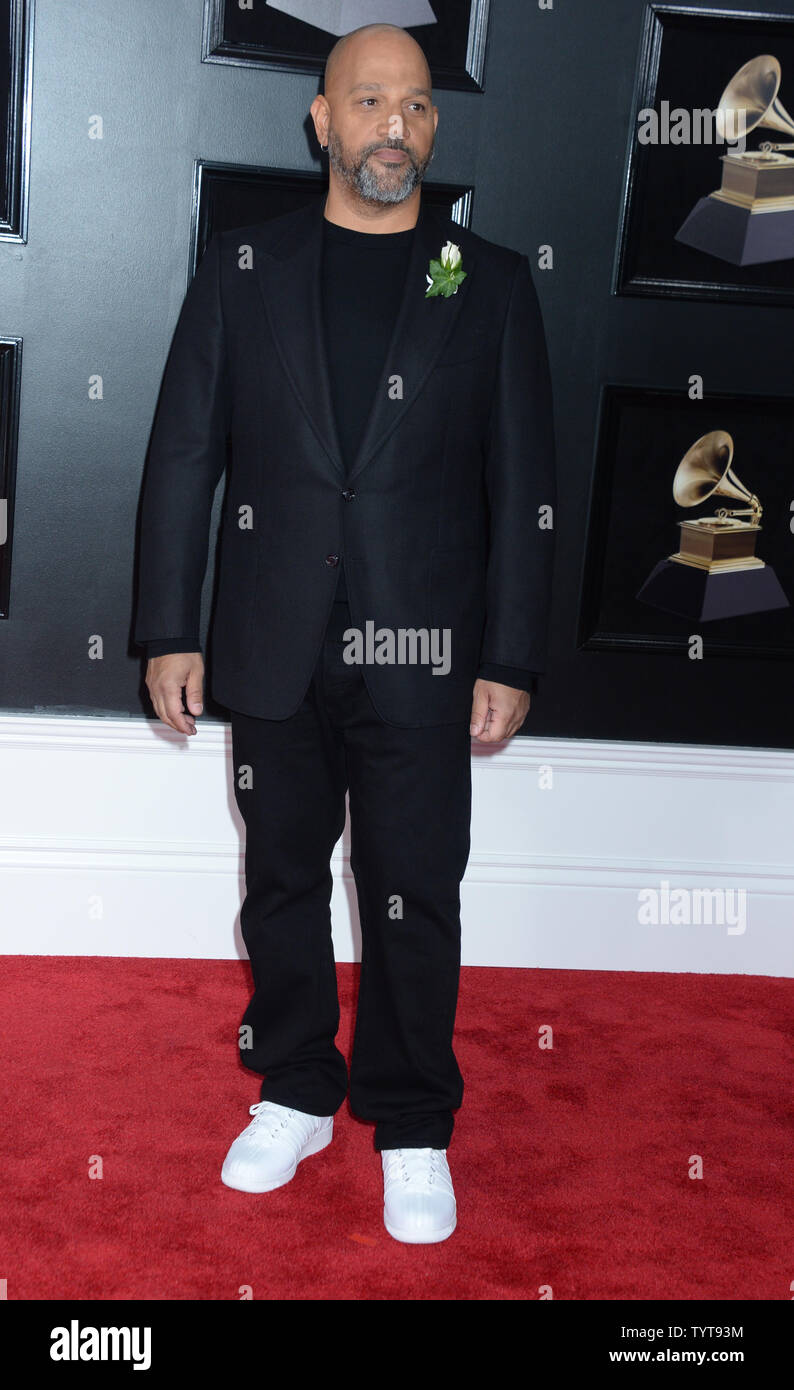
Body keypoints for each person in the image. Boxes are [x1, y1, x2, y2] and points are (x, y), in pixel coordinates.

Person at [134, 22, 556, 1245]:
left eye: (415, 106)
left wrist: (509, 653)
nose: (394, 126)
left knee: (413, 889)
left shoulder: (487, 282)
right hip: (271, 635)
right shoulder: (242, 268)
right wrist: (169, 624)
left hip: (423, 650)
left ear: (431, 126)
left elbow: (523, 481)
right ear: (321, 120)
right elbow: (183, 455)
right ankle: (297, 1089)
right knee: (278, 879)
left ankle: (412, 1118)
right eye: (368, 101)